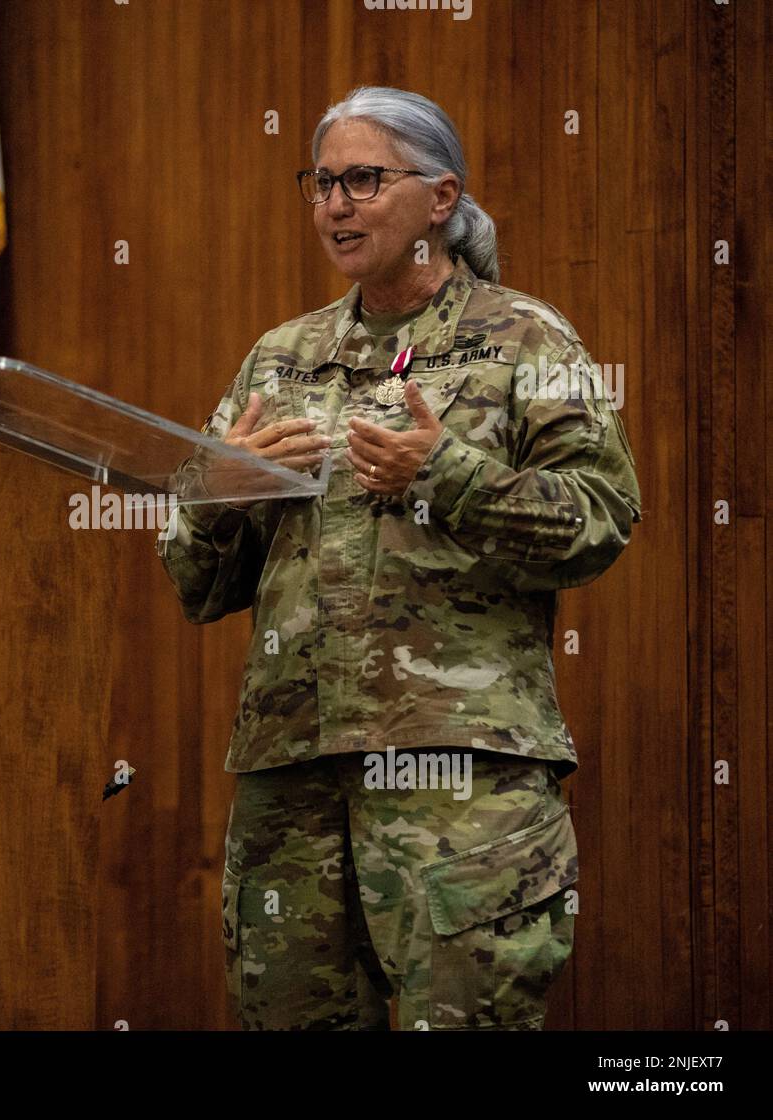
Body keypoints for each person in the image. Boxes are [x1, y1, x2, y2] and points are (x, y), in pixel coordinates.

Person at [157, 86, 642, 1030]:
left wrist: (449, 473)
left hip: (458, 778)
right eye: (322, 183)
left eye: (364, 180)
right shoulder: (278, 360)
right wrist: (220, 495)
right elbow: (194, 581)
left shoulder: (522, 339)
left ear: (440, 199)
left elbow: (601, 519)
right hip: (292, 779)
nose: (336, 205)